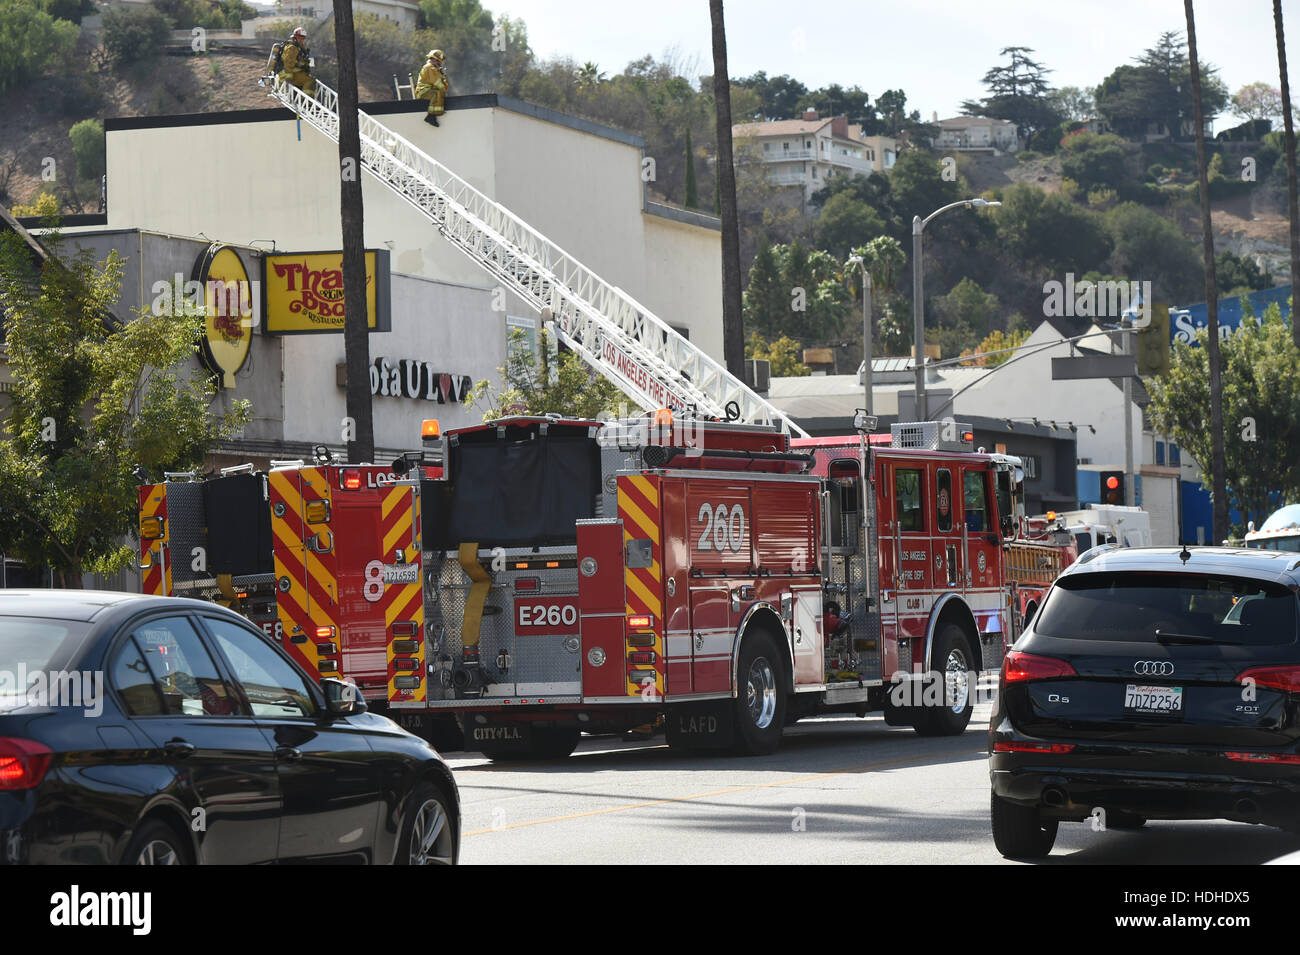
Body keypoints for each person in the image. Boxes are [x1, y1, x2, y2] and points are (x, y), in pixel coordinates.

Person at [275, 27, 316, 97]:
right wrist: (288, 79)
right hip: (287, 75)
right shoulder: (292, 48)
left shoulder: (299, 48)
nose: (301, 40)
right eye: (299, 37)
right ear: (295, 37)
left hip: (293, 74)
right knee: (310, 81)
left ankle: (301, 98)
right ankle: (305, 100)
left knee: (310, 80)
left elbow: (299, 62)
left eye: (303, 38)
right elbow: (288, 64)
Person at [415, 49, 448, 126]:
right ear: (434, 59)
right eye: (439, 61)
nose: (440, 63)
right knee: (437, 94)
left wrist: (443, 77)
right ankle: (431, 116)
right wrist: (443, 87)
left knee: (439, 93)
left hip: (427, 90)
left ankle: (434, 114)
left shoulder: (434, 69)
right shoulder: (429, 67)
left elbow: (441, 82)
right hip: (422, 91)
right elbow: (436, 82)